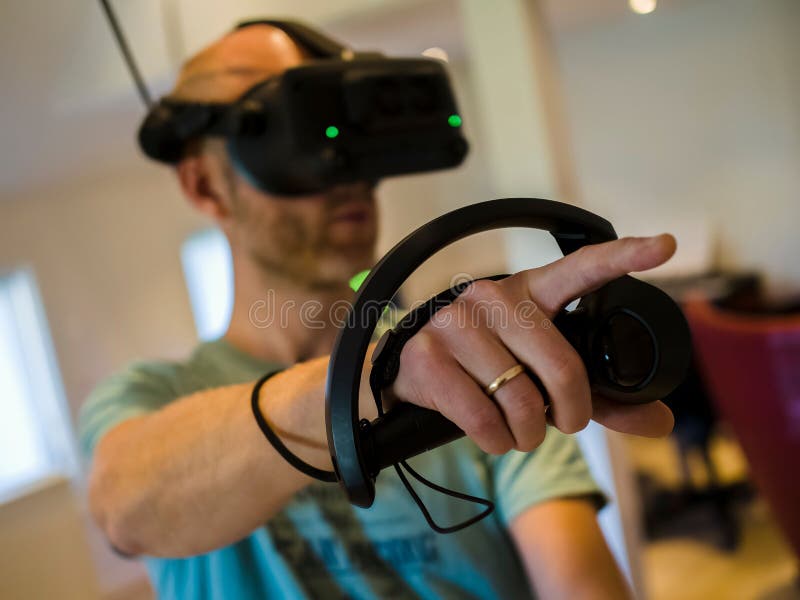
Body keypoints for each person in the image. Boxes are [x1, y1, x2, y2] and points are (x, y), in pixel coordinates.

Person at [79, 22, 676, 600]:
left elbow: (580, 581)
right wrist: (374, 378)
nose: (351, 173)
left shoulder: (476, 362)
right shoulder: (151, 397)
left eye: (351, 132)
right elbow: (127, 506)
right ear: (204, 186)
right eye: (303, 127)